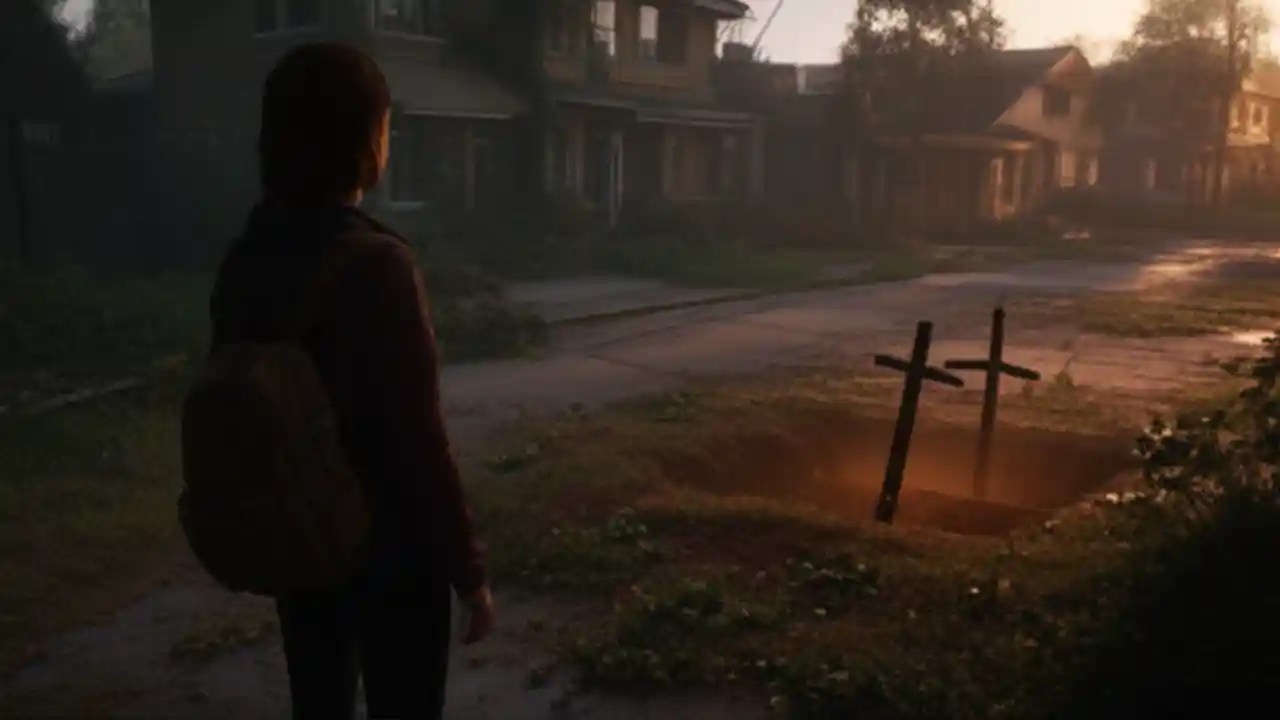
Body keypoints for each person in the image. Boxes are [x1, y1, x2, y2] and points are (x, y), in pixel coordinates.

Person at [208, 43, 494, 719]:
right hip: (391, 555)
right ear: (367, 138)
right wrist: (468, 573)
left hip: (300, 541)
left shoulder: (243, 261)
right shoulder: (378, 265)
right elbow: (419, 442)